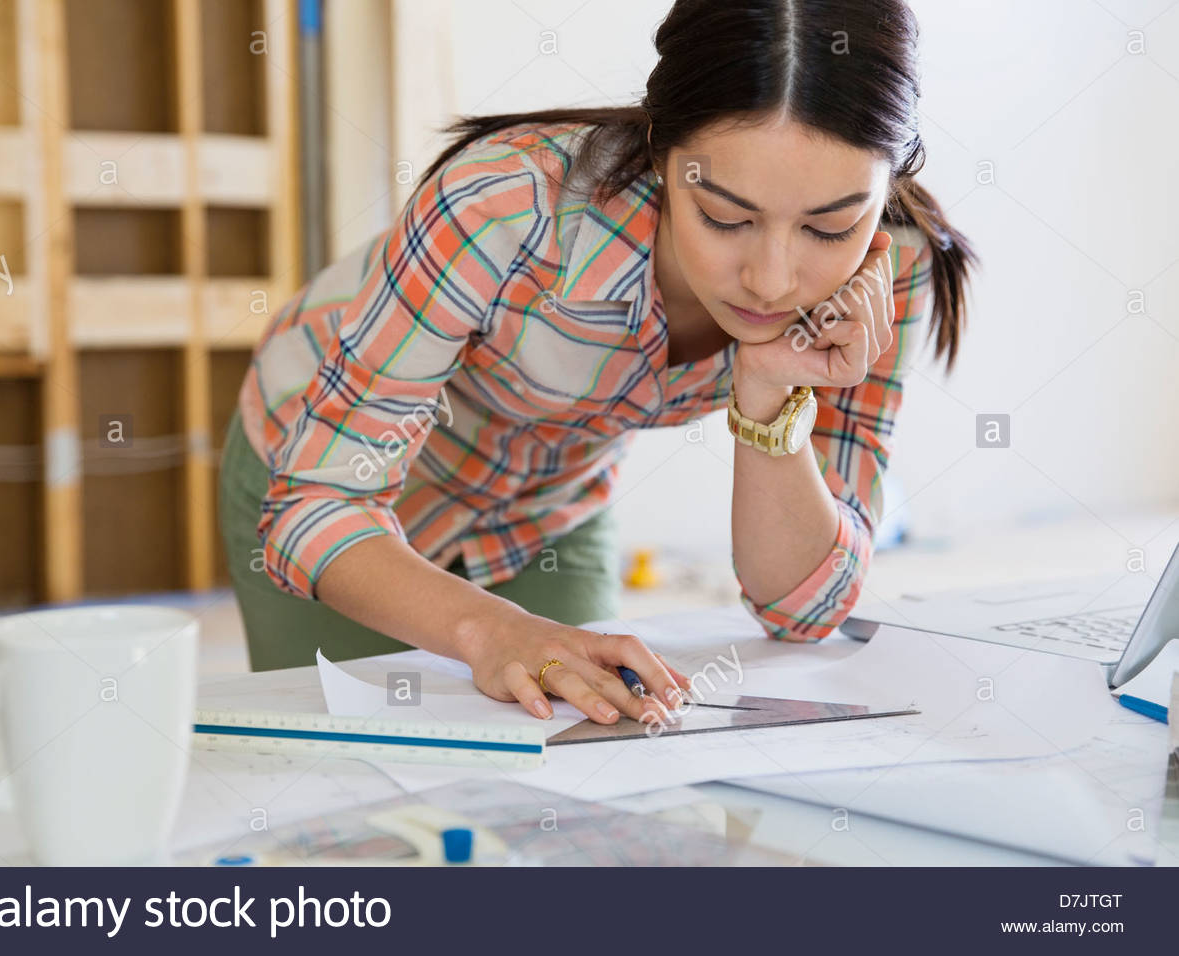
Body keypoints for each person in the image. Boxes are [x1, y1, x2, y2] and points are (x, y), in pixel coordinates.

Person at [218, 0, 977, 727]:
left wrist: (769, 401)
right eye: (725, 217)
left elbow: (805, 610)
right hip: (325, 478)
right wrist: (491, 633)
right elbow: (314, 508)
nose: (774, 281)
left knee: (577, 765)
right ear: (660, 150)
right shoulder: (506, 204)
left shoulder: (890, 267)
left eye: (830, 226)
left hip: (549, 497)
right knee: (364, 791)